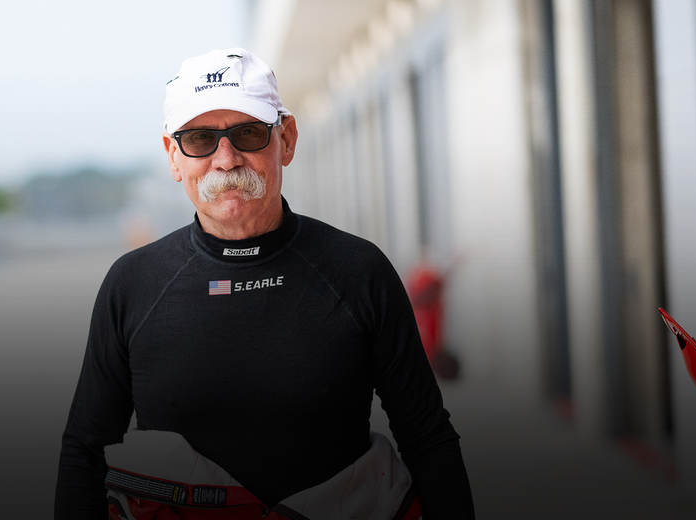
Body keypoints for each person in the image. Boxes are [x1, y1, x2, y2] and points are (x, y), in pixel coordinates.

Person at [55, 48, 475, 519]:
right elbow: (85, 453)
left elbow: (426, 436)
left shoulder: (358, 271)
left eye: (249, 133)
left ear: (287, 139)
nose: (226, 158)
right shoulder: (132, 285)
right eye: (199, 139)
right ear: (174, 156)